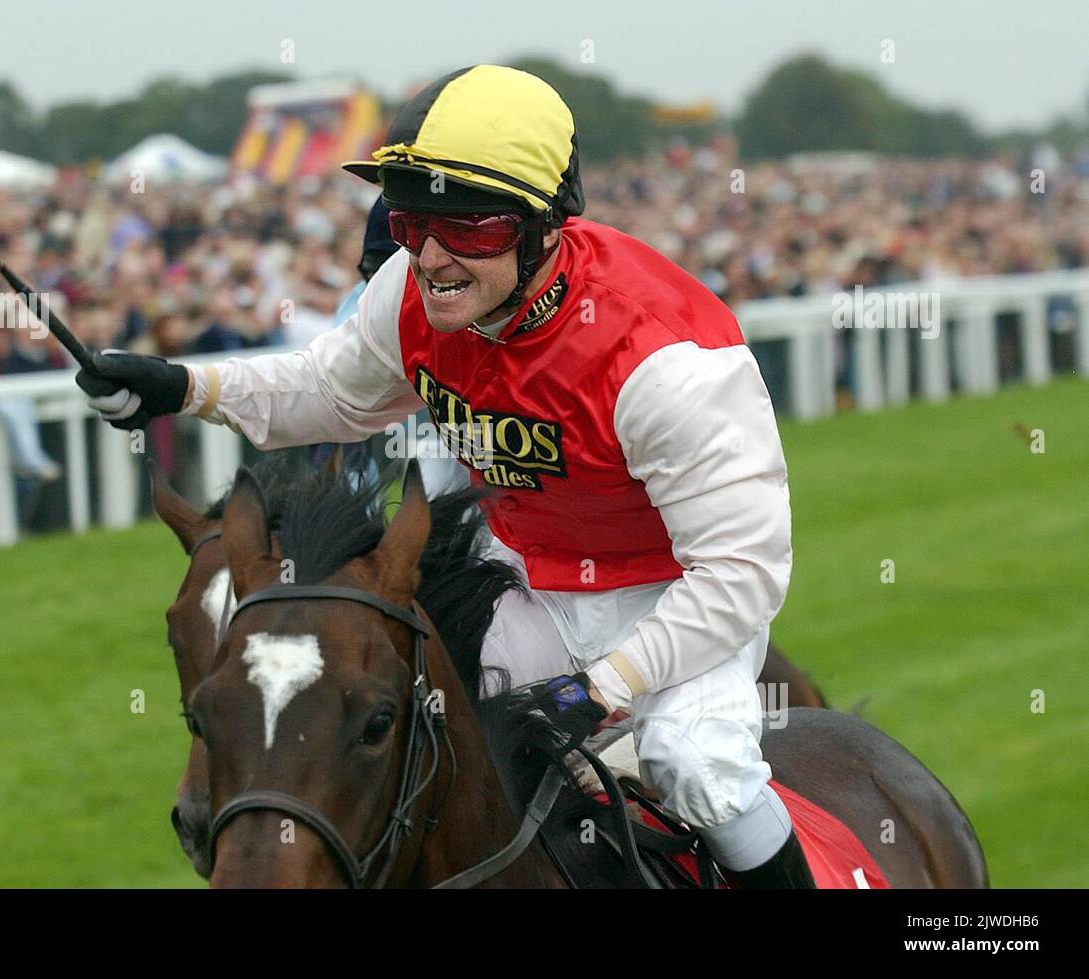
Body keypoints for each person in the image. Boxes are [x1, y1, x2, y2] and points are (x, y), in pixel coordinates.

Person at [77, 65, 809, 887]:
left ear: (543, 228)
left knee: (697, 767)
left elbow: (742, 574)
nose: (429, 256)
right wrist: (183, 388)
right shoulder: (409, 293)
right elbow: (328, 392)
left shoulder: (667, 365)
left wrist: (608, 686)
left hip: (680, 601)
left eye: (472, 229)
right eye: (412, 219)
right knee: (398, 740)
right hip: (525, 587)